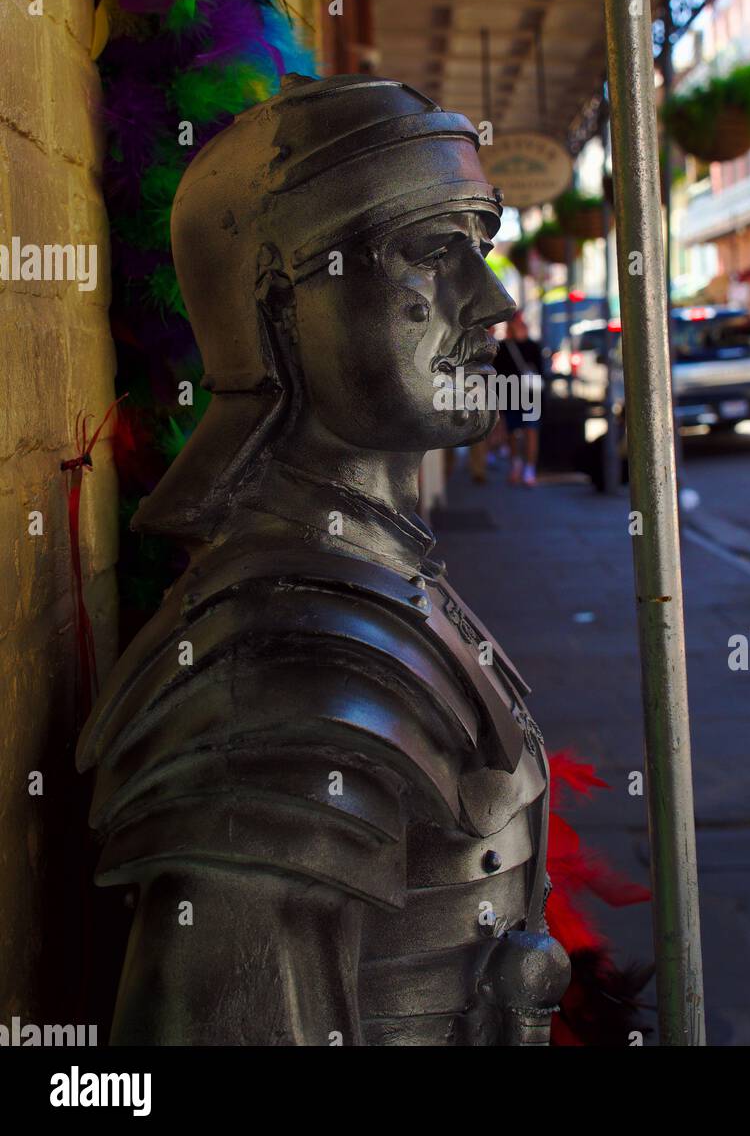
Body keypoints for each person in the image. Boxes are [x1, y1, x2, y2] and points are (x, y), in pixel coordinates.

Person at [77, 74, 569, 1046]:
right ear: (278, 306)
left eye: (483, 244)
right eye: (433, 250)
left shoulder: (384, 586)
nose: (496, 300)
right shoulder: (281, 691)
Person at [496, 310, 546, 486]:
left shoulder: (532, 346)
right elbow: (498, 375)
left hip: (531, 396)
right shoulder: (503, 347)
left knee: (531, 431)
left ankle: (529, 470)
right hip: (510, 396)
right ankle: (516, 464)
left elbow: (540, 371)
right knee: (513, 433)